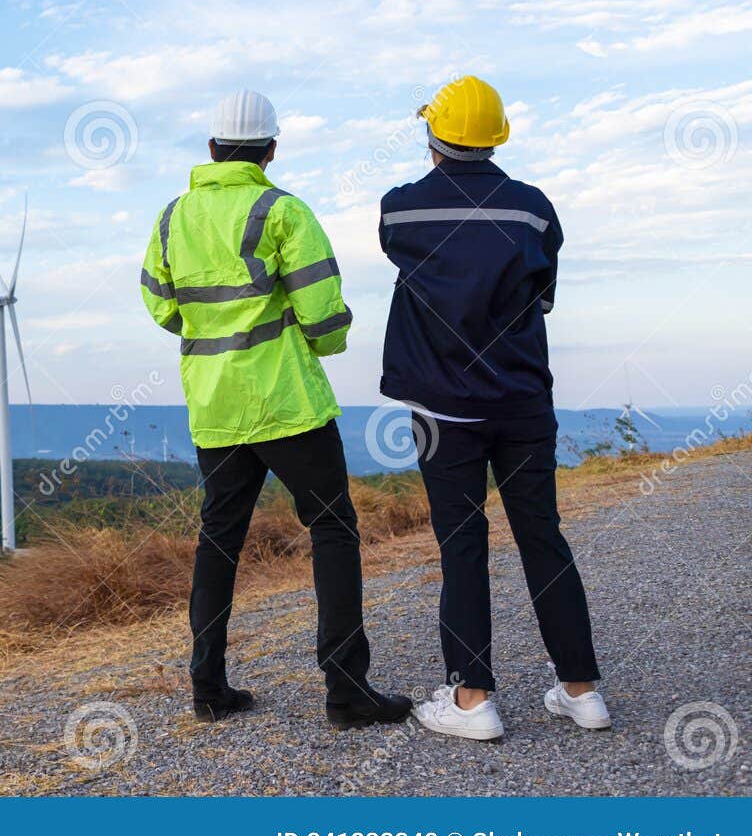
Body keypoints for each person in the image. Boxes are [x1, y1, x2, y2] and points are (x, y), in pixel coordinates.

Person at [141, 89, 411, 728]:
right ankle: (346, 693)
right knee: (333, 531)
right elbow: (323, 313)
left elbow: (161, 304)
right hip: (287, 403)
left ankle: (208, 687)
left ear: (210, 148)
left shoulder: (170, 218)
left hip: (215, 406)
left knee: (219, 540)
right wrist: (322, 336)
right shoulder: (283, 211)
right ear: (270, 150)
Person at [380, 75, 606, 742]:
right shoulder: (534, 210)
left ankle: (473, 698)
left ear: (433, 137)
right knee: (543, 536)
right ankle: (582, 689)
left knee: (462, 542)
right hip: (523, 400)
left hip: (441, 409)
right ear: (497, 136)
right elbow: (542, 296)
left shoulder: (399, 211)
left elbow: (416, 262)